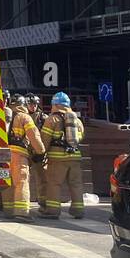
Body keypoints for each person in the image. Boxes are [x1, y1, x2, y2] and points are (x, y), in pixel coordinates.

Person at [38, 91, 85, 219]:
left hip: (57, 158)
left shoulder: (52, 119)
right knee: (76, 184)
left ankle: (52, 211)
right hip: (75, 157)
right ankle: (78, 210)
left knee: (54, 183)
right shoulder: (77, 120)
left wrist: (40, 153)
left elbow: (45, 139)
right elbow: (80, 138)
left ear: (55, 104)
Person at [5, 94, 44, 220]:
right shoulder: (24, 117)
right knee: (21, 182)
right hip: (19, 154)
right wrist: (41, 151)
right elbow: (34, 136)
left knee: (8, 183)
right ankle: (21, 212)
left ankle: (9, 209)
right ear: (23, 105)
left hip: (4, 154)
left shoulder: (3, 115)